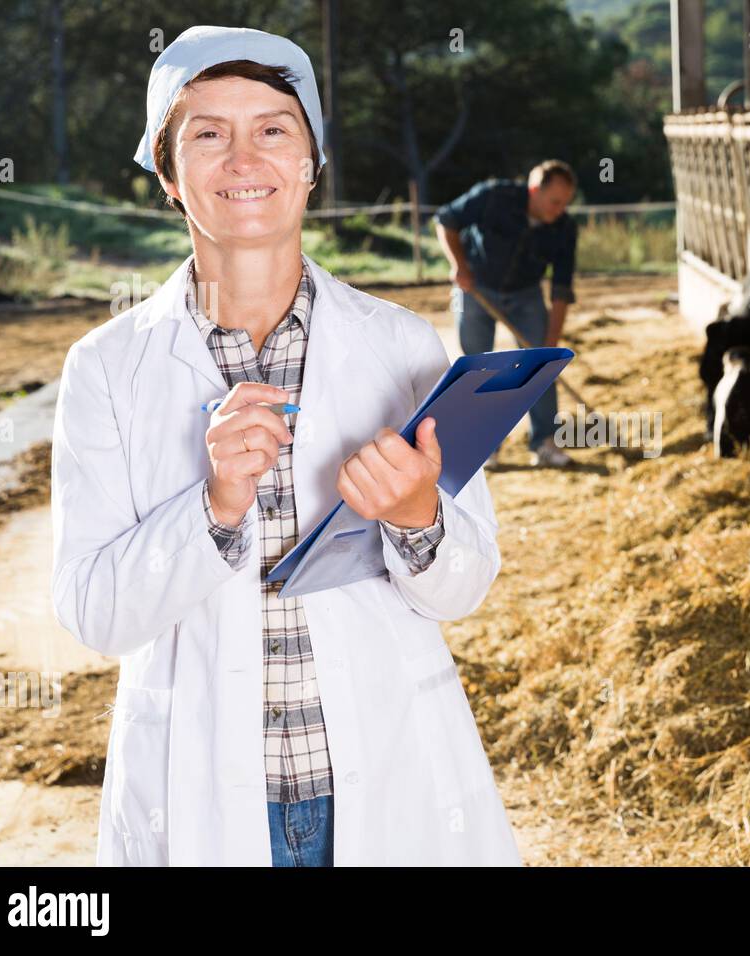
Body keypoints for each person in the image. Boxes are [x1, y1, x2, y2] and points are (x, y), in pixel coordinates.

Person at [49, 25, 521, 866]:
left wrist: (417, 518)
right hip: (194, 797)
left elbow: (463, 587)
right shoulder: (106, 369)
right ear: (167, 173)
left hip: (386, 780)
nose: (243, 159)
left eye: (273, 129)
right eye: (206, 135)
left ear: (312, 161)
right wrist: (214, 508)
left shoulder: (404, 348)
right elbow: (94, 614)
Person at [433, 161, 579, 467]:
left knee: (541, 364)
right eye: (555, 202)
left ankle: (544, 442)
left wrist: (551, 342)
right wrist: (459, 265)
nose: (560, 209)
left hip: (526, 293)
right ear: (534, 190)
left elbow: (561, 288)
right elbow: (446, 220)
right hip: (476, 287)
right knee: (477, 365)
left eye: (566, 203)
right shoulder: (493, 196)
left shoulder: (564, 227)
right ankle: (486, 445)